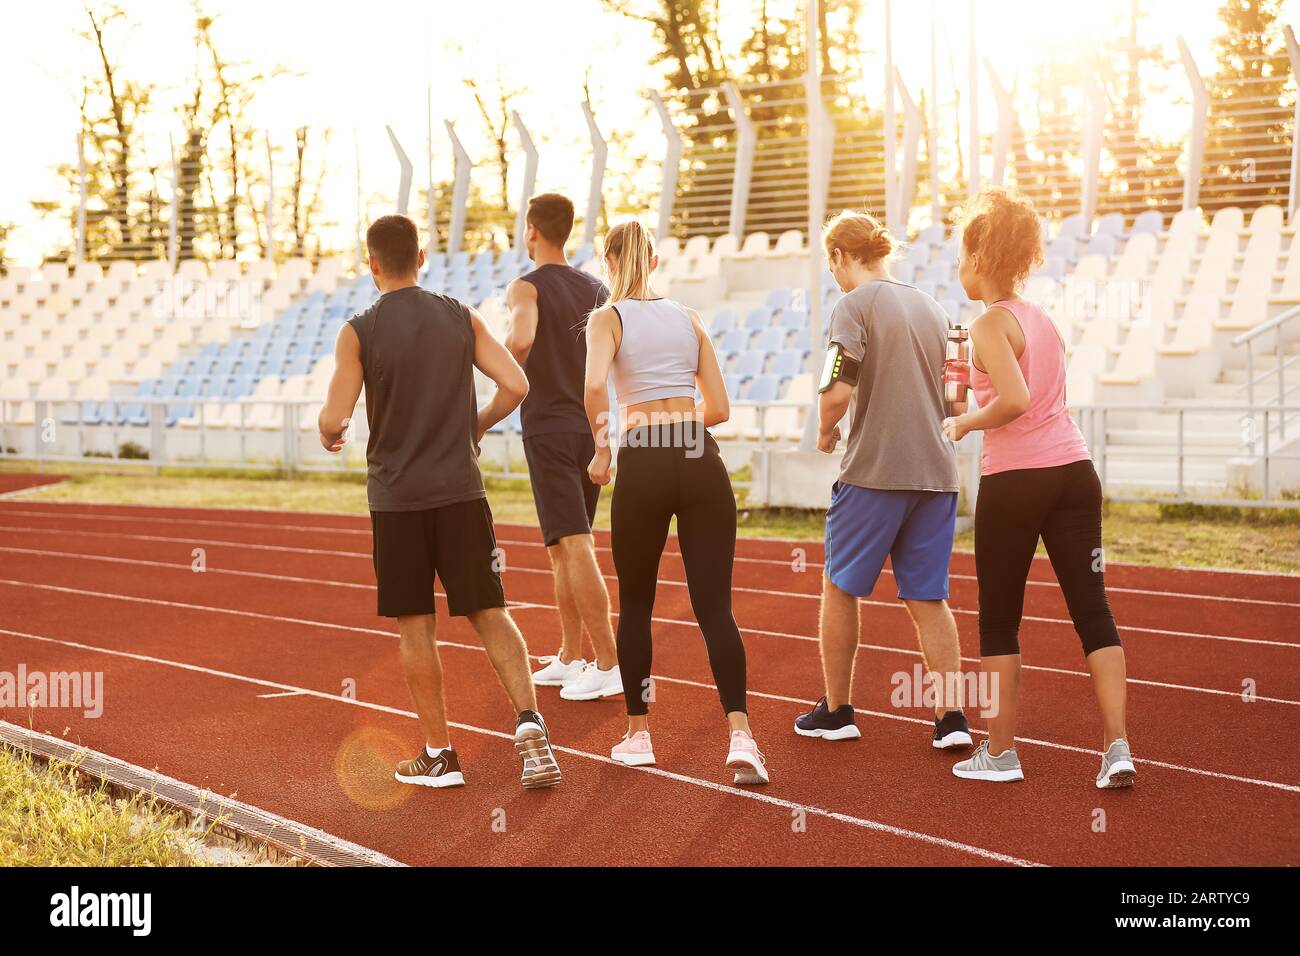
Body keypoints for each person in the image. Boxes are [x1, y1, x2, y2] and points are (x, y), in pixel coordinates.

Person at [319, 214, 561, 791]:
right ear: (421, 257)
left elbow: (335, 417)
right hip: (460, 491)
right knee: (489, 610)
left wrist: (330, 433)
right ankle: (530, 723)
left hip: (398, 499)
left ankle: (438, 754)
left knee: (416, 625)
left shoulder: (358, 330)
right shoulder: (460, 315)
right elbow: (518, 385)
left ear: (371, 262)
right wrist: (475, 425)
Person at [944, 187, 1134, 788]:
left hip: (1017, 479)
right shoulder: (1042, 319)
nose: (958, 268)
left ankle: (1001, 754)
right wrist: (963, 389)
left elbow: (1016, 401)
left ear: (980, 256)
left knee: (999, 620)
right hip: (1075, 474)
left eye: (962, 256)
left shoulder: (986, 323)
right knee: (1092, 611)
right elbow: (1035, 393)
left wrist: (963, 421)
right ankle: (1117, 748)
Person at [583, 220, 768, 785]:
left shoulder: (606, 318)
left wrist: (602, 449)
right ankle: (742, 737)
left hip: (642, 456)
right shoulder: (689, 318)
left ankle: (639, 736)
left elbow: (594, 386)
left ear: (608, 264)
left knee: (636, 604)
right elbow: (720, 408)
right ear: (655, 262)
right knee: (716, 608)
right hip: (696, 453)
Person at [794, 210, 973, 751]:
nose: (835, 275)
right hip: (936, 473)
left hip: (875, 471)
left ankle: (838, 709)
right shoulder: (935, 307)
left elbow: (838, 389)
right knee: (927, 597)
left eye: (833, 264)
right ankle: (951, 719)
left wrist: (826, 432)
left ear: (842, 257)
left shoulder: (852, 306)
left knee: (840, 585)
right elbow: (958, 399)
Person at [505, 193, 620, 701]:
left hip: (549, 427)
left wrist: (499, 363)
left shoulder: (525, 286)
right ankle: (572, 655)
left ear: (532, 231)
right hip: (585, 427)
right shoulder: (596, 287)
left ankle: (610, 662)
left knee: (574, 544)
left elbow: (522, 340)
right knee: (560, 547)